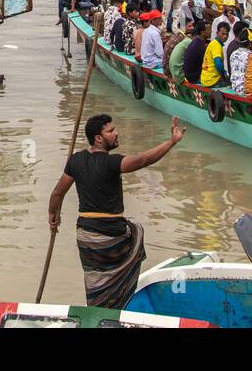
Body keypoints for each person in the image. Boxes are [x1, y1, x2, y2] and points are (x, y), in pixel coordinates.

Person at [47, 113, 185, 309]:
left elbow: (57, 193)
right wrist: (172, 141)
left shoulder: (75, 160)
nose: (116, 133)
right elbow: (143, 160)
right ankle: (119, 297)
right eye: (111, 131)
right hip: (110, 235)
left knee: (95, 276)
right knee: (136, 231)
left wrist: (53, 216)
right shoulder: (112, 163)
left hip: (85, 236)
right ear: (98, 138)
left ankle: (98, 304)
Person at [200, 21, 231, 88]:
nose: (225, 36)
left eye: (227, 34)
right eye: (222, 33)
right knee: (231, 82)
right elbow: (218, 64)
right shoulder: (216, 45)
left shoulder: (214, 43)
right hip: (211, 80)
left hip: (205, 78)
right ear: (217, 33)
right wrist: (224, 76)